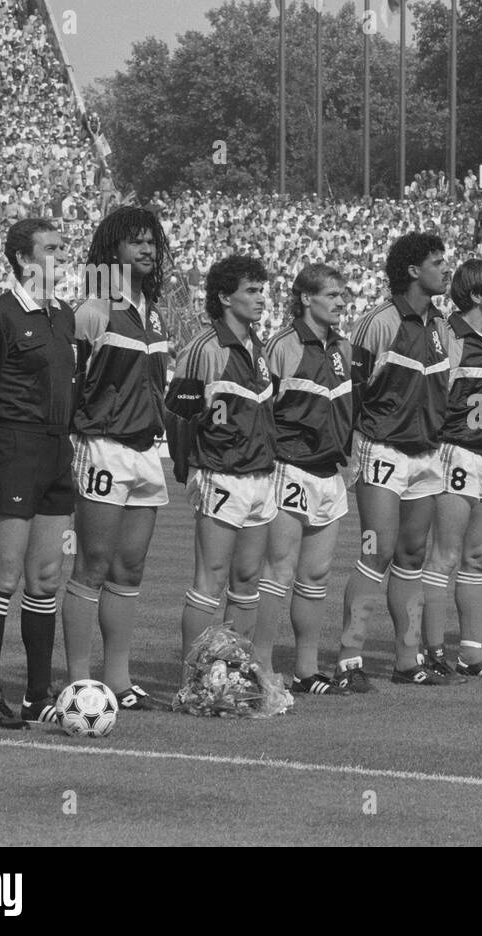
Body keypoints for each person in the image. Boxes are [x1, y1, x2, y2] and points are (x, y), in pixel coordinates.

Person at [0, 218, 76, 727]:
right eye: (50, 249)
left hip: (57, 453)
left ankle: (36, 694)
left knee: (46, 578)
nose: (60, 257)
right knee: (3, 577)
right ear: (25, 260)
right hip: (13, 449)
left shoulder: (63, 315)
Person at [62, 206, 172, 710]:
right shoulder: (94, 306)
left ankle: (120, 683)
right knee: (93, 565)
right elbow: (68, 381)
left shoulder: (154, 307)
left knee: (130, 568)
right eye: (136, 243)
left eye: (152, 242)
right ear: (112, 250)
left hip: (146, 450)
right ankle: (80, 683)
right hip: (102, 445)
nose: (147, 250)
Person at [339, 233, 450, 687]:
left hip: (425, 452)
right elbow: (352, 391)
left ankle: (408, 662)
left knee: (411, 554)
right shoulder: (378, 322)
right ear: (411, 271)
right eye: (437, 262)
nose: (446, 269)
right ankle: (349, 661)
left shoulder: (441, 325)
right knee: (375, 551)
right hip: (382, 448)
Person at [166, 255, 278, 674]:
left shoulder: (258, 347)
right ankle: (194, 677)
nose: (261, 299)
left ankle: (233, 673)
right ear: (224, 297)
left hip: (261, 476)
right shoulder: (204, 348)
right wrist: (192, 470)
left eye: (262, 290)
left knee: (248, 579)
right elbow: (178, 416)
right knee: (210, 580)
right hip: (221, 474)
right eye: (251, 291)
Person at [255, 264, 354, 696]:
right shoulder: (282, 346)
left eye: (342, 294)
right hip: (289, 466)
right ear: (306, 299)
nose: (340, 302)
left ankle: (306, 670)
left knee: (316, 576)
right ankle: (257, 667)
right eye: (331, 295)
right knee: (278, 571)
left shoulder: (343, 348)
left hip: (329, 472)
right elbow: (262, 411)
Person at [420, 259, 482, 678]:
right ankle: (433, 650)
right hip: (457, 453)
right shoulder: (449, 336)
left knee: (479, 557)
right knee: (444, 556)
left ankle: (471, 652)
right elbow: (433, 399)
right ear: (476, 294)